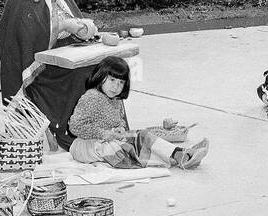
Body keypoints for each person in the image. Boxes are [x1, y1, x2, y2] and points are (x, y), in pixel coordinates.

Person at [0, 0, 99, 149]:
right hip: (36, 67)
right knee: (78, 75)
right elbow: (26, 37)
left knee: (101, 69)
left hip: (61, 54)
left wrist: (80, 28)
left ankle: (94, 127)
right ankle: (68, 130)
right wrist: (64, 26)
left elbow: (69, 14)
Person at [67, 56, 209, 170]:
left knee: (141, 136)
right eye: (112, 80)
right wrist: (104, 133)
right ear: (100, 76)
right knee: (127, 148)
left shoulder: (115, 99)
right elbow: (75, 126)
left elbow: (119, 121)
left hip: (106, 142)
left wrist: (120, 129)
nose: (116, 86)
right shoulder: (92, 97)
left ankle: (180, 154)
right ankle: (179, 156)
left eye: (120, 83)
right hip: (87, 146)